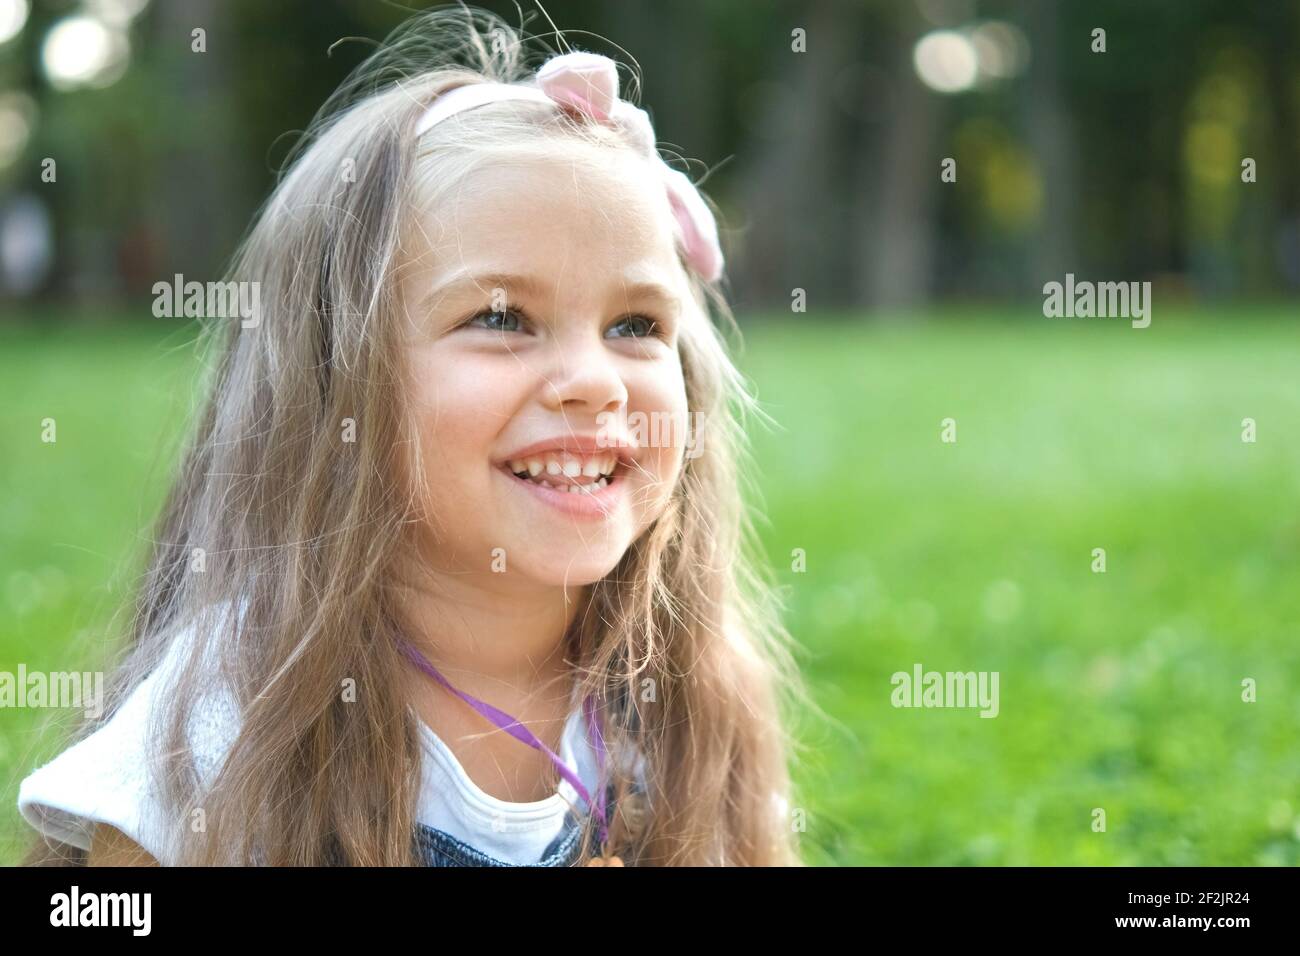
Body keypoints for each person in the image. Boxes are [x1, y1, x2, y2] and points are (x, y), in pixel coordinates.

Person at [16, 4, 806, 867]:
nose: (594, 379)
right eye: (502, 316)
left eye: (637, 324)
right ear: (336, 379)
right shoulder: (230, 717)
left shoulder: (672, 701)